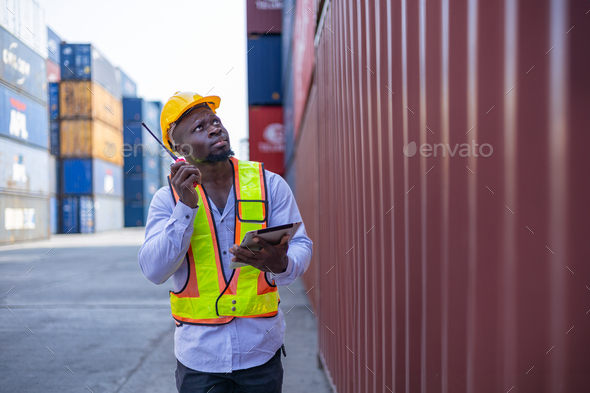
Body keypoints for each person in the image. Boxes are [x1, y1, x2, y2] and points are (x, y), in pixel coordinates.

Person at [138, 92, 312, 393]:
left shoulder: (269, 184)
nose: (215, 128)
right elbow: (153, 270)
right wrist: (185, 209)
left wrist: (281, 263)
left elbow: (301, 245)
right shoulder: (168, 199)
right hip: (200, 360)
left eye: (215, 121)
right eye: (200, 128)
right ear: (180, 150)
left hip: (262, 352)